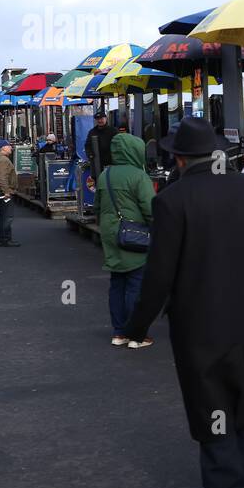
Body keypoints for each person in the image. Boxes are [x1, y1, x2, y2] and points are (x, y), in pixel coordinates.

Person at [124, 118, 244, 488]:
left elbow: (159, 274)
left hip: (196, 319)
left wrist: (136, 327)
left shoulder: (173, 201)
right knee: (242, 393)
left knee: (210, 400)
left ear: (179, 158)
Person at [97, 133, 155, 348]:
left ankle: (118, 332)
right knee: (135, 285)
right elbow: (151, 209)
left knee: (117, 283)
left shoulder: (106, 174)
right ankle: (136, 335)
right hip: (135, 235)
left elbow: (98, 206)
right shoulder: (139, 176)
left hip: (111, 233)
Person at [85, 111, 116, 177]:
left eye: (101, 119)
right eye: (98, 119)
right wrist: (90, 154)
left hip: (111, 163)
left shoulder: (113, 131)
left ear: (106, 118)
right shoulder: (92, 132)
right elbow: (87, 145)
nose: (100, 121)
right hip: (97, 164)